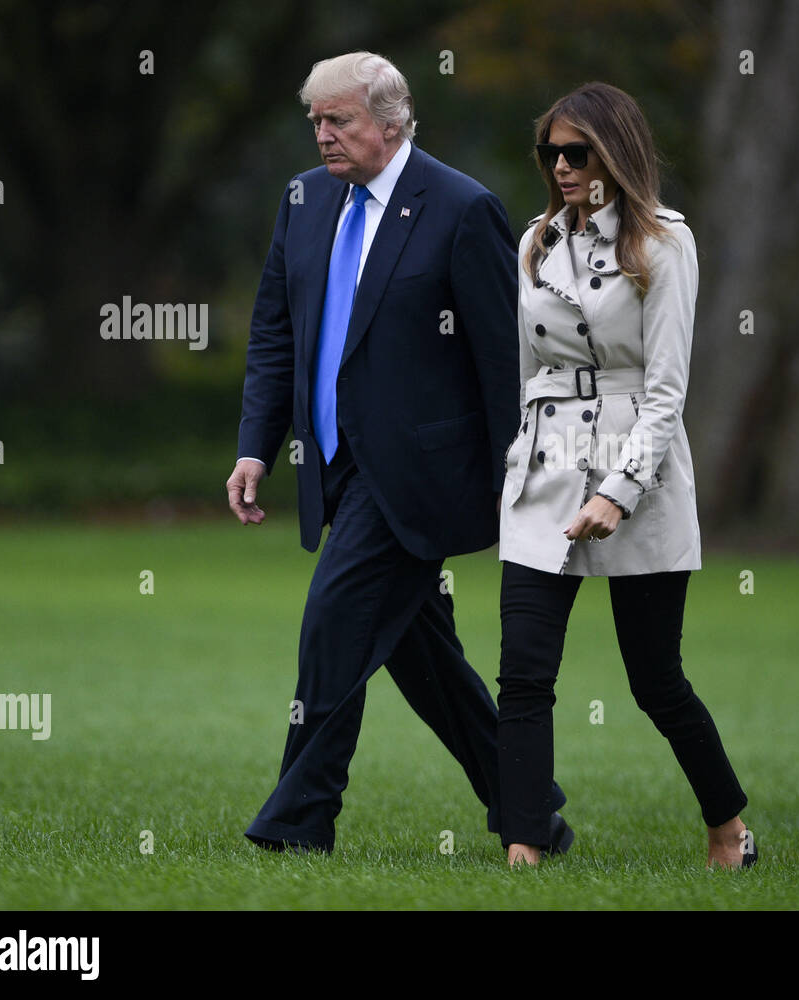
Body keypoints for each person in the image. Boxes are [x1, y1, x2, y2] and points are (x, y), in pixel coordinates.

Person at [227, 51, 572, 855]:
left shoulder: (460, 207)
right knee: (420, 654)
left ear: (391, 121)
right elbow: (275, 332)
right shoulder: (305, 199)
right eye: (314, 119)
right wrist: (256, 448)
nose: (321, 135)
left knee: (333, 623)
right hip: (332, 470)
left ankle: (298, 820)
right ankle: (528, 804)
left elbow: (503, 362)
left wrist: (514, 481)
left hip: (421, 476)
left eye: (337, 120)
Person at [495, 82, 755, 868]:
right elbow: (527, 370)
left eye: (579, 152)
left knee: (655, 680)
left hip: (635, 463)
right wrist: (515, 463)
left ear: (618, 151)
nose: (563, 167)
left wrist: (619, 490)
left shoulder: (665, 242)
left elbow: (668, 392)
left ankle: (727, 828)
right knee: (523, 678)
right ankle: (523, 848)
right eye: (552, 153)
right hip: (544, 466)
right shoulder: (534, 242)